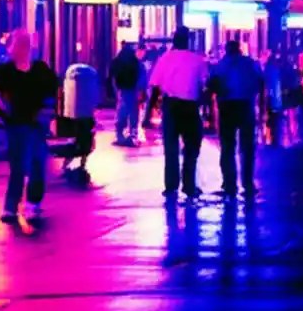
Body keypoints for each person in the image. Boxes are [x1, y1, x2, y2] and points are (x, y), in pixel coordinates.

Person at [0, 29, 59, 222]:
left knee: (37, 163)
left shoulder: (40, 69)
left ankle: (32, 204)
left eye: (25, 44)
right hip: (16, 124)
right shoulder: (5, 71)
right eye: (18, 44)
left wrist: (47, 112)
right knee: (18, 165)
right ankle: (11, 206)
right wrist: (6, 110)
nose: (21, 48)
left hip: (36, 124)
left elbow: (52, 91)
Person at [148, 28, 209, 200]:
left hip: (171, 106)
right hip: (190, 107)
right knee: (191, 146)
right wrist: (204, 108)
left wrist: (147, 115)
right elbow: (204, 85)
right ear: (188, 41)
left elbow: (155, 87)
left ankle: (171, 185)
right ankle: (189, 185)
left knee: (171, 147)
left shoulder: (164, 59)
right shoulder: (197, 60)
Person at [210, 40, 263, 197]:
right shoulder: (250, 63)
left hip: (227, 106)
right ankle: (247, 183)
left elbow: (213, 84)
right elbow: (260, 82)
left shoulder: (221, 65)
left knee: (227, 147)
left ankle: (229, 183)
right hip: (246, 105)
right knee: (247, 147)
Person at [110, 42, 144, 146]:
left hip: (122, 89)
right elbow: (141, 76)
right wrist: (141, 90)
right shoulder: (136, 62)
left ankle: (120, 134)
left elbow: (113, 76)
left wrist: (115, 90)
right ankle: (132, 135)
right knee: (133, 112)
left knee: (121, 111)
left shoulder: (118, 61)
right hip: (133, 89)